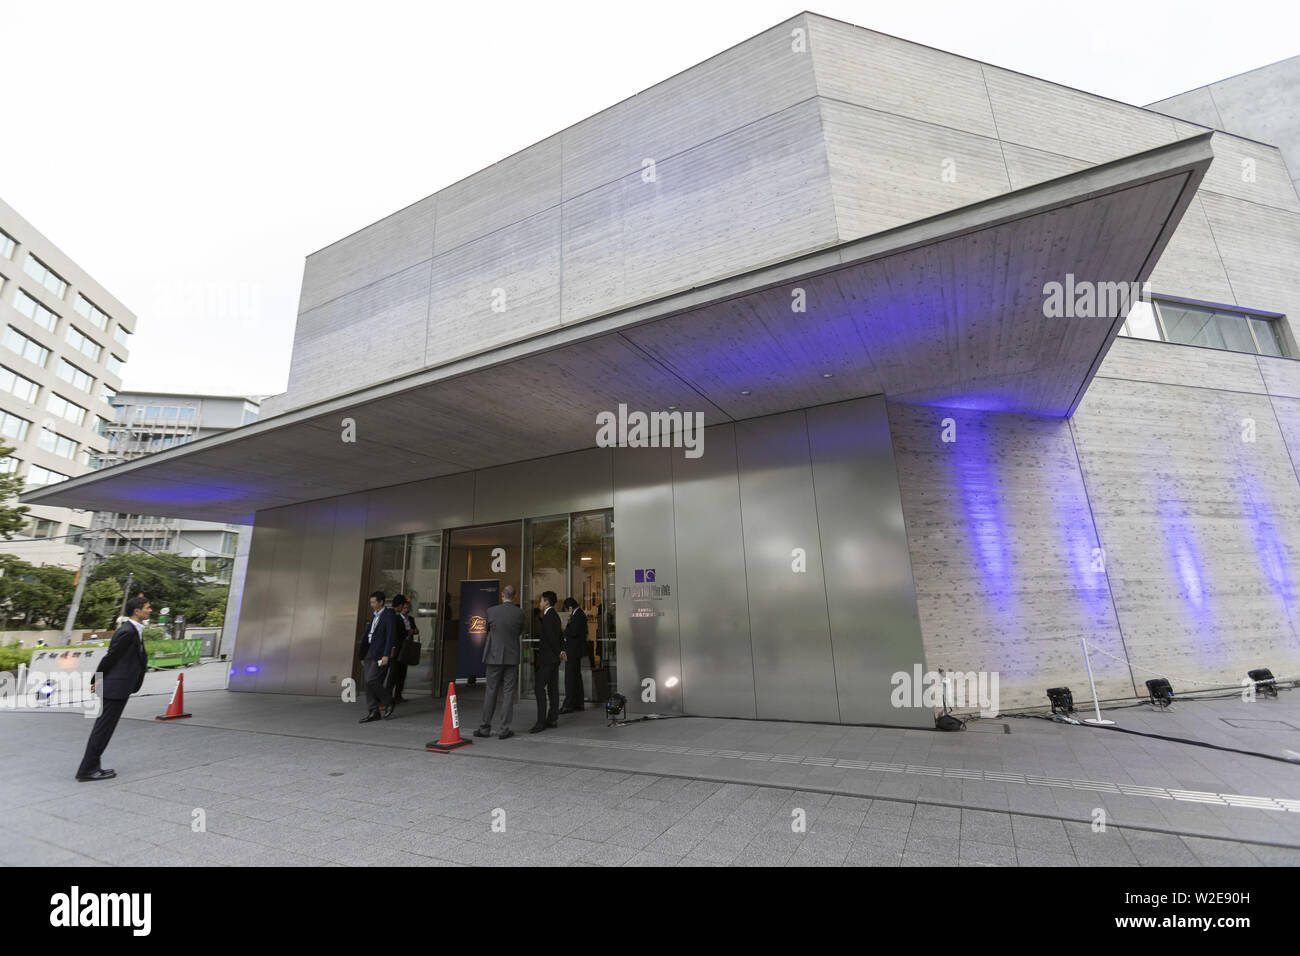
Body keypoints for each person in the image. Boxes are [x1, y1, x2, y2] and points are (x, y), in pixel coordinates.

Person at [76, 596, 152, 781]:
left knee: (104, 728)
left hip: (120, 686)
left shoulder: (134, 630)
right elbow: (110, 657)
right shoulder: (127, 631)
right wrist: (96, 679)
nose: (150, 610)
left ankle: (91, 767)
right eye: (147, 608)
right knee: (103, 729)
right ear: (137, 610)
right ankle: (88, 770)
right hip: (116, 686)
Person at [476, 584, 524, 740]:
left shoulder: (491, 611)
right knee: (509, 693)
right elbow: (519, 631)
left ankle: (485, 727)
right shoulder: (519, 613)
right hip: (512, 656)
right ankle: (504, 729)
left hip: (494, 656)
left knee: (491, 691)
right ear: (514, 596)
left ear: (502, 595)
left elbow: (487, 630)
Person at [359, 590, 398, 722]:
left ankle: (389, 701)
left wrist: (386, 654)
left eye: (373, 602)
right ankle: (373, 711)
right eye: (370, 602)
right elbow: (368, 635)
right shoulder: (374, 616)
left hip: (381, 654)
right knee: (367, 683)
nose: (371, 604)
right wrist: (362, 655)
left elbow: (390, 636)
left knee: (372, 679)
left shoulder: (389, 614)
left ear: (381, 602)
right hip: (370, 652)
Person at [531, 590, 564, 733]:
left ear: (547, 602)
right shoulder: (555, 616)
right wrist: (561, 652)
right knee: (552, 689)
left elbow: (551, 638)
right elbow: (560, 636)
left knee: (539, 687)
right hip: (554, 659)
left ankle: (541, 721)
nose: (540, 603)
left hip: (548, 659)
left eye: (541, 600)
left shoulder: (548, 616)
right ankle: (552, 718)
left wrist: (559, 651)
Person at [559, 597, 587, 713]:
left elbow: (574, 632)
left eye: (567, 609)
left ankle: (568, 704)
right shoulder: (579, 614)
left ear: (570, 607)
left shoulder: (578, 615)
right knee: (576, 677)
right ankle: (578, 703)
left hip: (573, 650)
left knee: (570, 678)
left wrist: (565, 629)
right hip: (575, 650)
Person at [386, 594, 411, 704]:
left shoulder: (408, 619)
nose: (406, 609)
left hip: (404, 649)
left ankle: (398, 695)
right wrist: (407, 632)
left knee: (402, 673)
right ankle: (387, 696)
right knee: (393, 673)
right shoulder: (393, 617)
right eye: (404, 606)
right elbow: (395, 634)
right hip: (395, 649)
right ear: (400, 606)